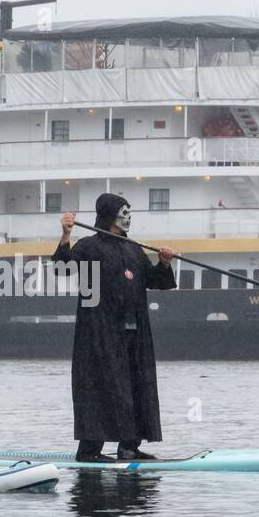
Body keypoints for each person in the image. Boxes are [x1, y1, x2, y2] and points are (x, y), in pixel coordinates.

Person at [53, 194, 176, 462]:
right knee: (100, 385)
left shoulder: (134, 249)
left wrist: (164, 263)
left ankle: (129, 446)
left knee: (136, 385)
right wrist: (66, 235)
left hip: (134, 332)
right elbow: (62, 269)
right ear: (109, 215)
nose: (128, 217)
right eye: (123, 212)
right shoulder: (89, 246)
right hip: (98, 333)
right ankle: (89, 451)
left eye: (130, 212)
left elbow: (156, 281)